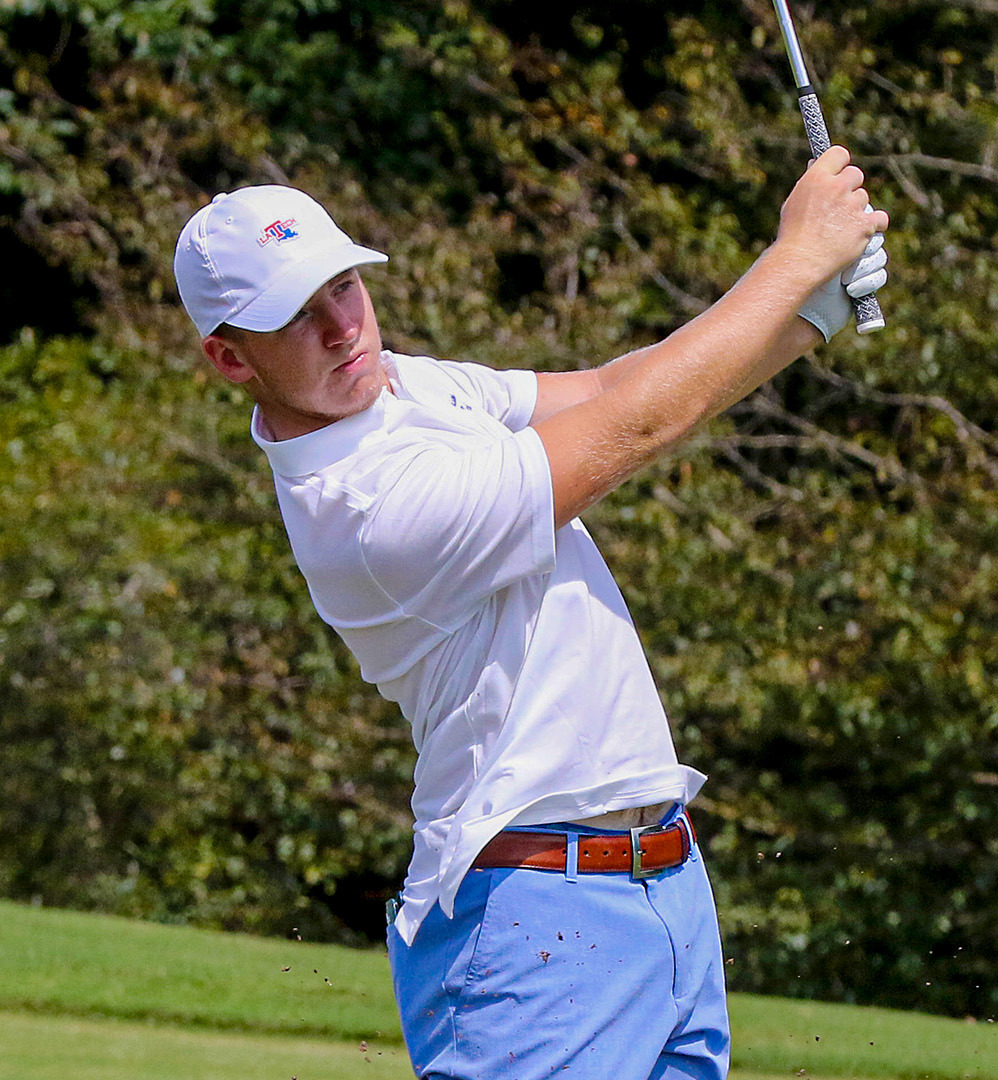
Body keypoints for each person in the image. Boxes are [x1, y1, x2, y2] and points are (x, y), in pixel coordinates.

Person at [171, 147, 889, 1080]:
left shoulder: (407, 388)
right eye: (296, 315)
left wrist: (807, 313)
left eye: (342, 286)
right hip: (535, 914)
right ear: (231, 357)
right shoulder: (367, 513)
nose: (342, 326)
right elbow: (633, 429)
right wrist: (793, 261)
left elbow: (610, 388)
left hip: (664, 886)